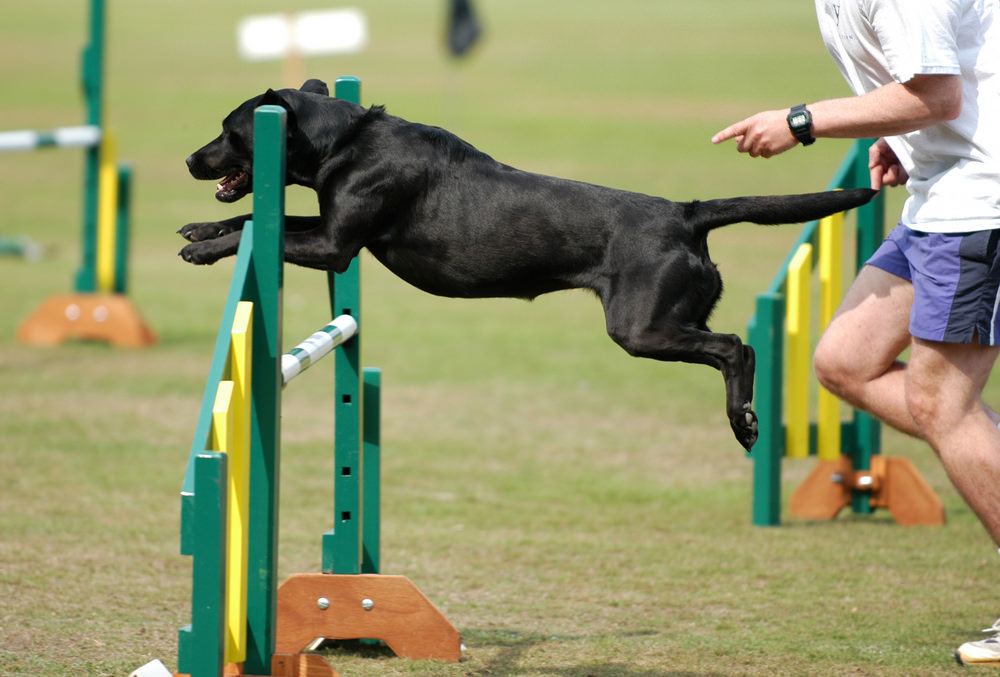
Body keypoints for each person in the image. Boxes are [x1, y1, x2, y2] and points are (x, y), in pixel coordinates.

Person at [711, 0, 1000, 666]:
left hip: (981, 197)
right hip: (941, 190)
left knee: (942, 405)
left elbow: (938, 93)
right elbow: (924, 90)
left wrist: (801, 121)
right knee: (846, 360)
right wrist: (903, 140)